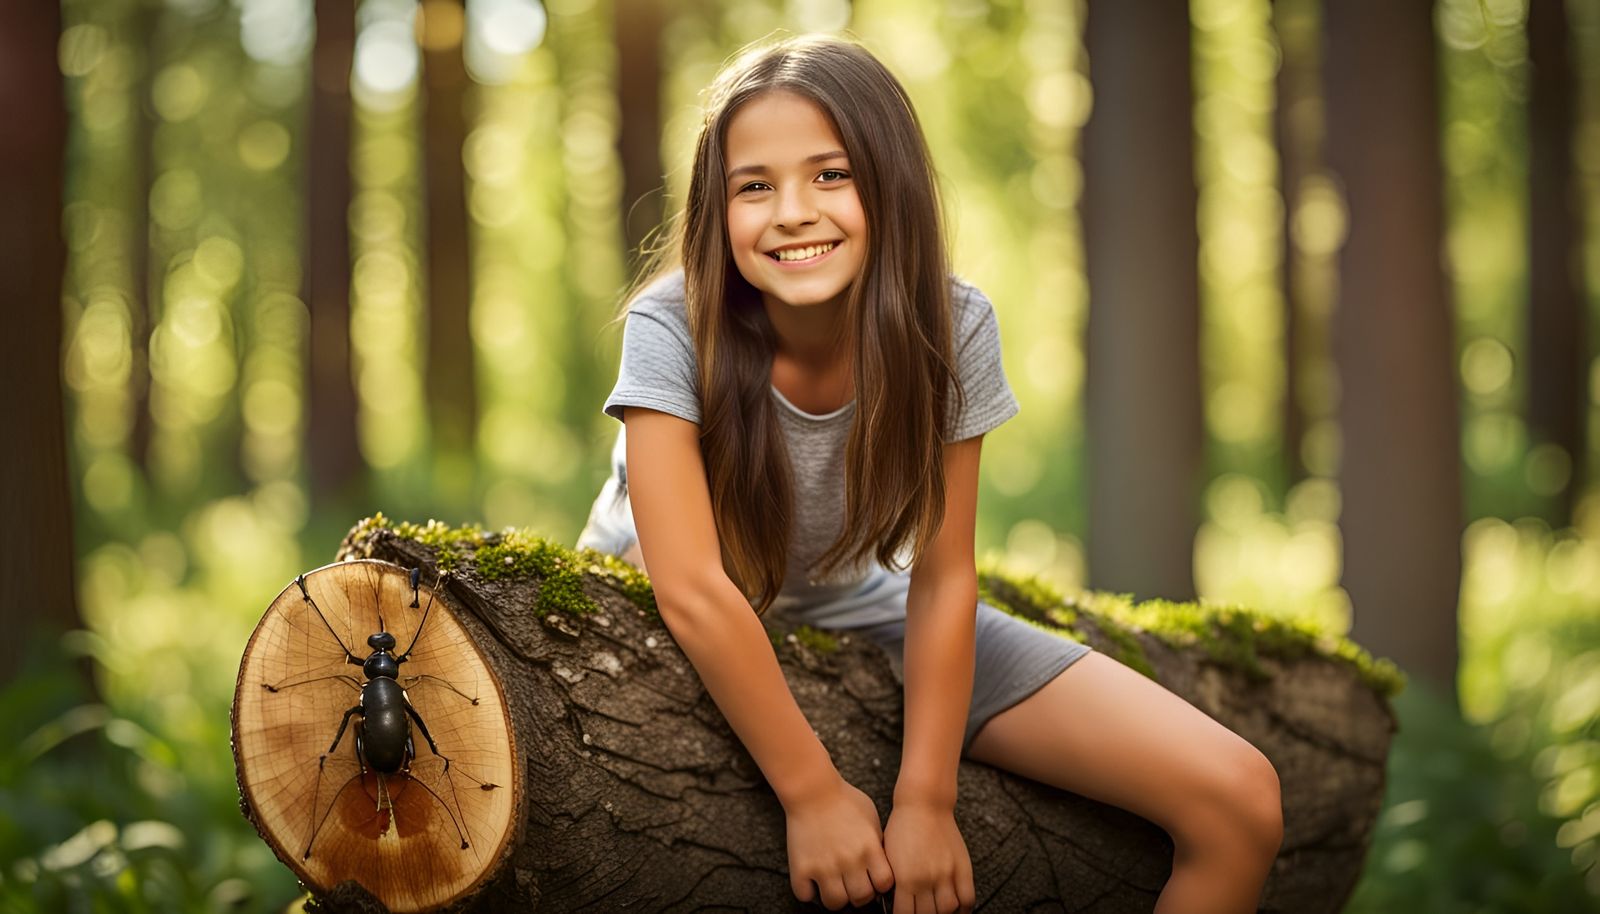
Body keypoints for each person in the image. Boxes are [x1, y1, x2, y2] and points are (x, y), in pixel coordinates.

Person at [577, 34, 1283, 914]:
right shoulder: (672, 323)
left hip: (860, 608)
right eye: (753, 186)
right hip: (655, 610)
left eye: (831, 175)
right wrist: (812, 793)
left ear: (891, 184)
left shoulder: (952, 324)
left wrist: (925, 798)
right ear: (715, 212)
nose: (792, 211)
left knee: (1240, 797)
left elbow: (944, 576)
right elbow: (689, 586)